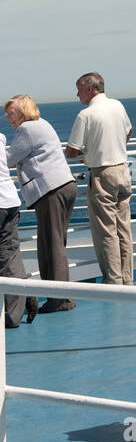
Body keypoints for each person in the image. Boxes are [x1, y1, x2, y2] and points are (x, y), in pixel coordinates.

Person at [5, 96, 78, 313]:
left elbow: (8, 158)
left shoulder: (26, 129)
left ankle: (60, 299)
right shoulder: (42, 124)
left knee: (51, 245)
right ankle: (59, 296)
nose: (8, 117)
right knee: (55, 243)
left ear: (24, 111)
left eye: (12, 112)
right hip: (64, 185)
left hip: (50, 190)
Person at [65, 73, 133, 286]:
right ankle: (127, 278)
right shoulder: (117, 106)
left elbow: (71, 151)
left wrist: (90, 152)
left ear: (89, 89)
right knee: (123, 228)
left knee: (106, 230)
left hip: (103, 174)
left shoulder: (86, 115)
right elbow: (128, 132)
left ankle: (113, 280)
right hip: (123, 170)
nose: (77, 94)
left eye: (79, 89)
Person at [0, 129, 38, 327]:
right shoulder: (0, 137)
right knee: (10, 255)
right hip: (9, 200)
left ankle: (13, 315)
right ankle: (24, 296)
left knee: (6, 257)